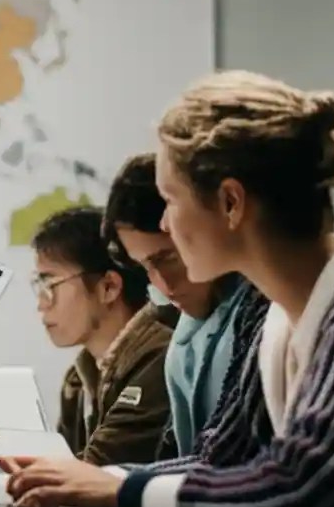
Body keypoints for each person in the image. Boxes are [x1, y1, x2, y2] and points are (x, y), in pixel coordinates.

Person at [1, 71, 334, 507]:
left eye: (170, 200)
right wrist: (94, 479)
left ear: (231, 203)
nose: (166, 223)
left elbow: (302, 489)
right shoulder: (280, 322)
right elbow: (223, 458)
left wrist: (121, 493)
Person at [103, 153, 270, 456]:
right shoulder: (183, 340)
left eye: (168, 258)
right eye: (145, 268)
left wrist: (120, 487)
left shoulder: (263, 311)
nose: (163, 285)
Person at [30, 206, 172, 465]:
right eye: (38, 287)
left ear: (109, 287)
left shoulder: (161, 358)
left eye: (50, 285)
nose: (41, 303)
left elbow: (93, 469)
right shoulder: (78, 378)